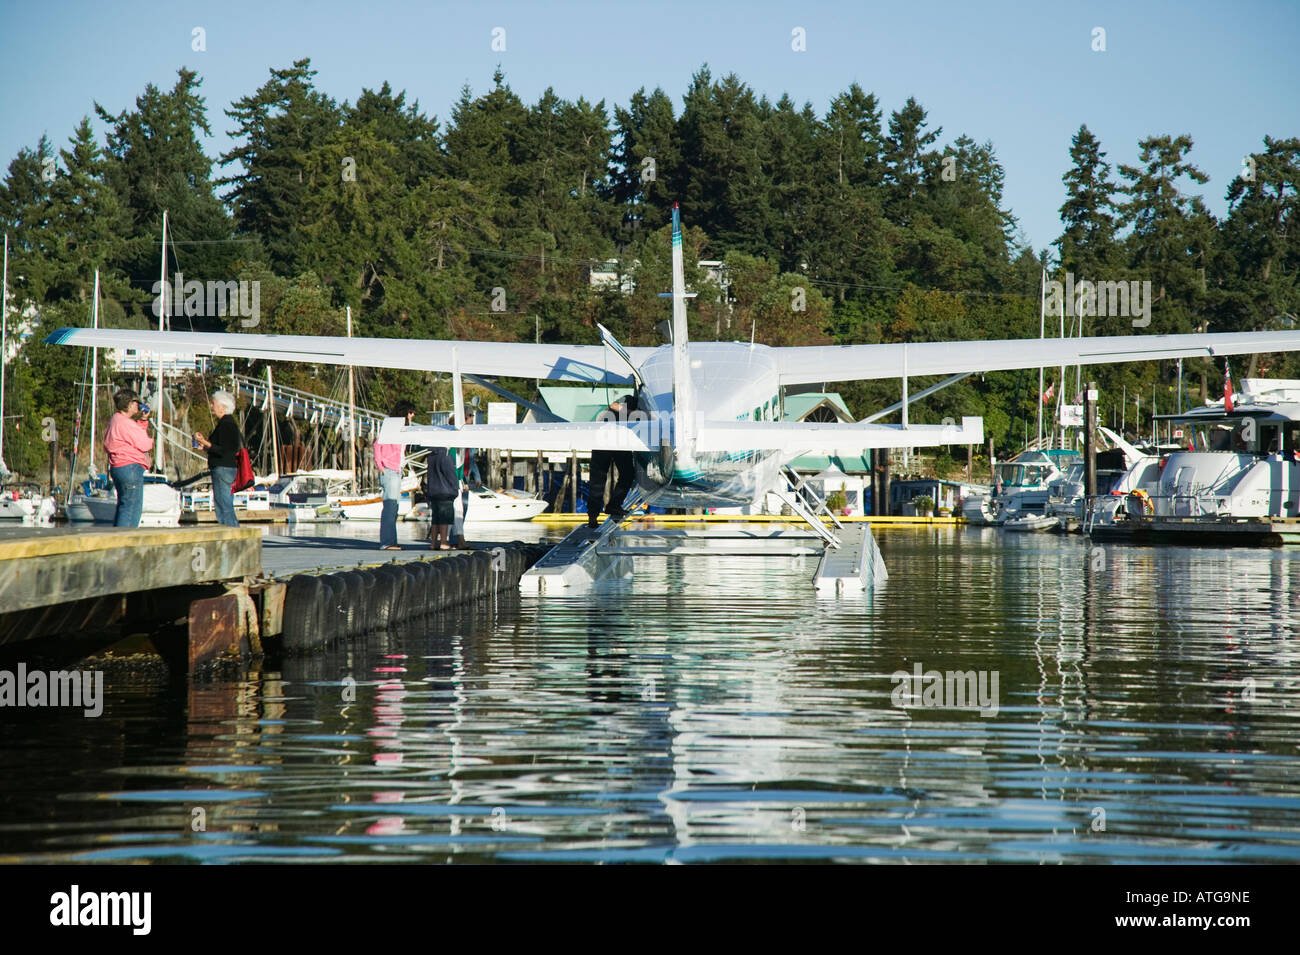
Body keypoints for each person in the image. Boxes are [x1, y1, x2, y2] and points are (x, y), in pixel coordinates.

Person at [587, 394, 638, 529]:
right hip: (605, 437)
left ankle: (614, 505)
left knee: (628, 473)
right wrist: (635, 414)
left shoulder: (644, 403)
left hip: (619, 440)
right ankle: (593, 517)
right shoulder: (629, 398)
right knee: (598, 480)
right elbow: (613, 405)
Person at [104, 389, 154, 527]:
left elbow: (133, 434)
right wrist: (151, 441)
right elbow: (145, 444)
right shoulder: (125, 423)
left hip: (119, 467)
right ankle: (124, 541)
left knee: (124, 505)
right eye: (136, 402)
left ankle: (118, 539)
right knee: (131, 508)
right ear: (130, 404)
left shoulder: (117, 420)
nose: (138, 405)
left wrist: (143, 420)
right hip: (129, 468)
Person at [193, 390, 243, 528]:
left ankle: (231, 534)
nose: (211, 405)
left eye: (214, 403)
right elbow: (222, 448)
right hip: (227, 468)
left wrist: (204, 441)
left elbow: (224, 450)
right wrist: (205, 447)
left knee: (223, 505)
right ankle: (233, 533)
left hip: (223, 469)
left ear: (223, 407)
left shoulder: (227, 424)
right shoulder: (228, 424)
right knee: (225, 504)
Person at [375, 400, 416, 550]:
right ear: (405, 412)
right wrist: (380, 465)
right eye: (411, 412)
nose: (413, 415)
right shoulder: (392, 426)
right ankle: (387, 543)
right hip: (389, 470)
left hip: (396, 470)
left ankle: (391, 541)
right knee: (390, 506)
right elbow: (377, 444)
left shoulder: (403, 428)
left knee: (395, 508)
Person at [425, 446, 459, 550]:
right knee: (444, 518)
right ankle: (444, 542)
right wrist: (455, 489)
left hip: (433, 491)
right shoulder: (446, 457)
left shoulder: (431, 456)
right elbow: (451, 475)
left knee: (435, 519)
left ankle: (433, 543)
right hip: (445, 491)